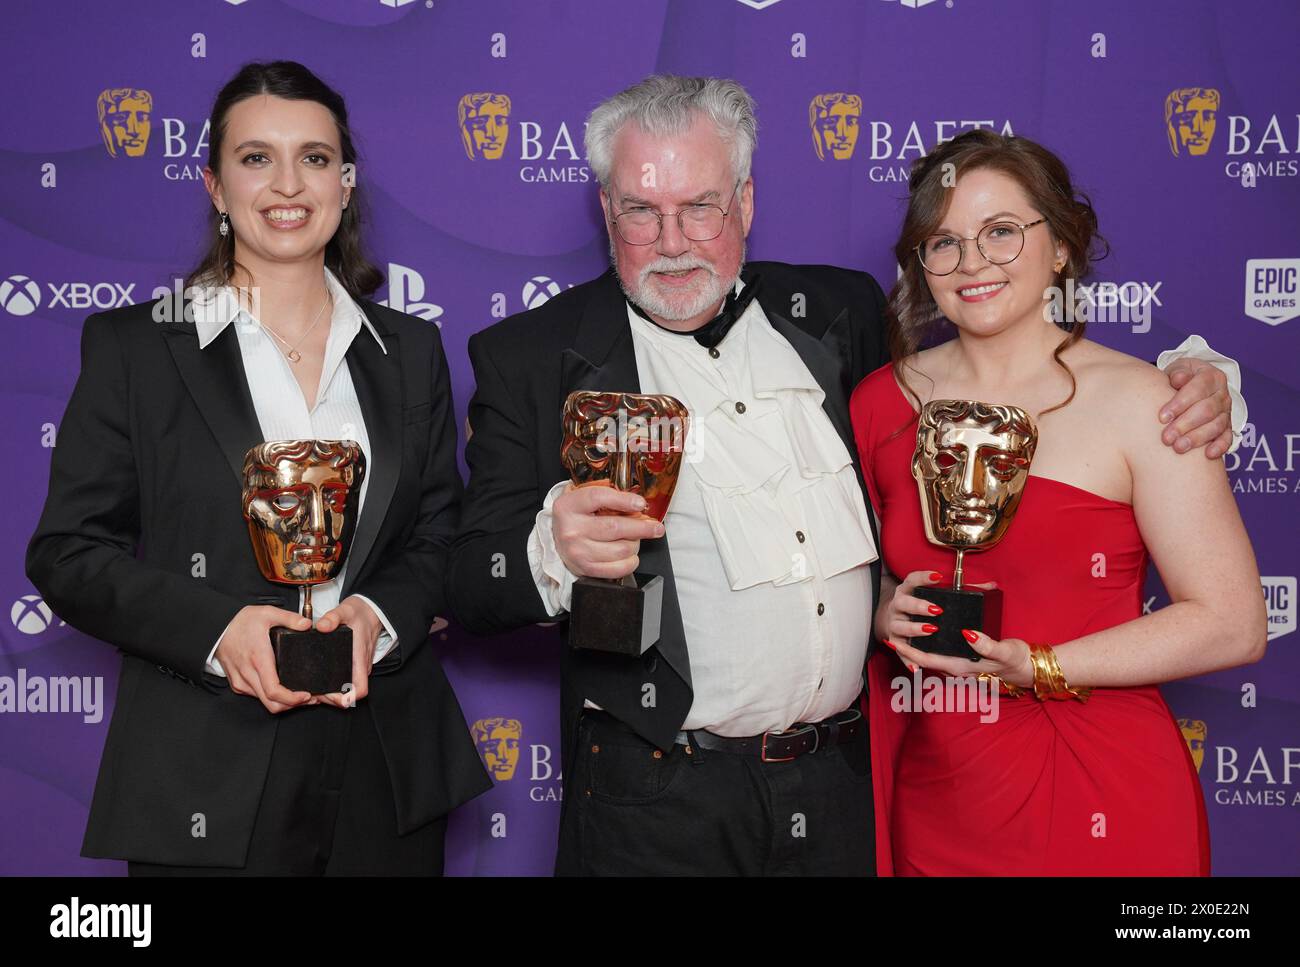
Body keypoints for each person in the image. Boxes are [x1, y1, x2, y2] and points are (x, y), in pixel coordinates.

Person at [444, 74, 1242, 876]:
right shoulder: (531, 356)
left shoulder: (838, 315)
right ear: (605, 210)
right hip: (654, 798)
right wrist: (554, 547)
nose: (675, 240)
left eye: (701, 206)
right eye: (642, 212)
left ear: (746, 203)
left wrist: (1201, 375)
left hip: (839, 793)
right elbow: (474, 584)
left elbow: (1014, 374)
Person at [26, 61, 489, 875]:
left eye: (314, 157)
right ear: (213, 184)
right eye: (255, 157)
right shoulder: (137, 348)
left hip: (385, 765)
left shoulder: (410, 353)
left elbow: (438, 537)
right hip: (204, 770)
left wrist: (374, 616)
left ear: (345, 185)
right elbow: (67, 553)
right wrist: (218, 630)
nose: (287, 183)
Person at [853, 129, 1267, 876]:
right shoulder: (882, 401)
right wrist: (883, 607)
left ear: (1063, 248)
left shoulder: (1149, 402)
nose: (972, 262)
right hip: (938, 792)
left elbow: (1233, 624)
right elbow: (852, 576)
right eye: (943, 242)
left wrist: (1040, 665)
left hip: (1099, 782)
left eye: (1002, 233)